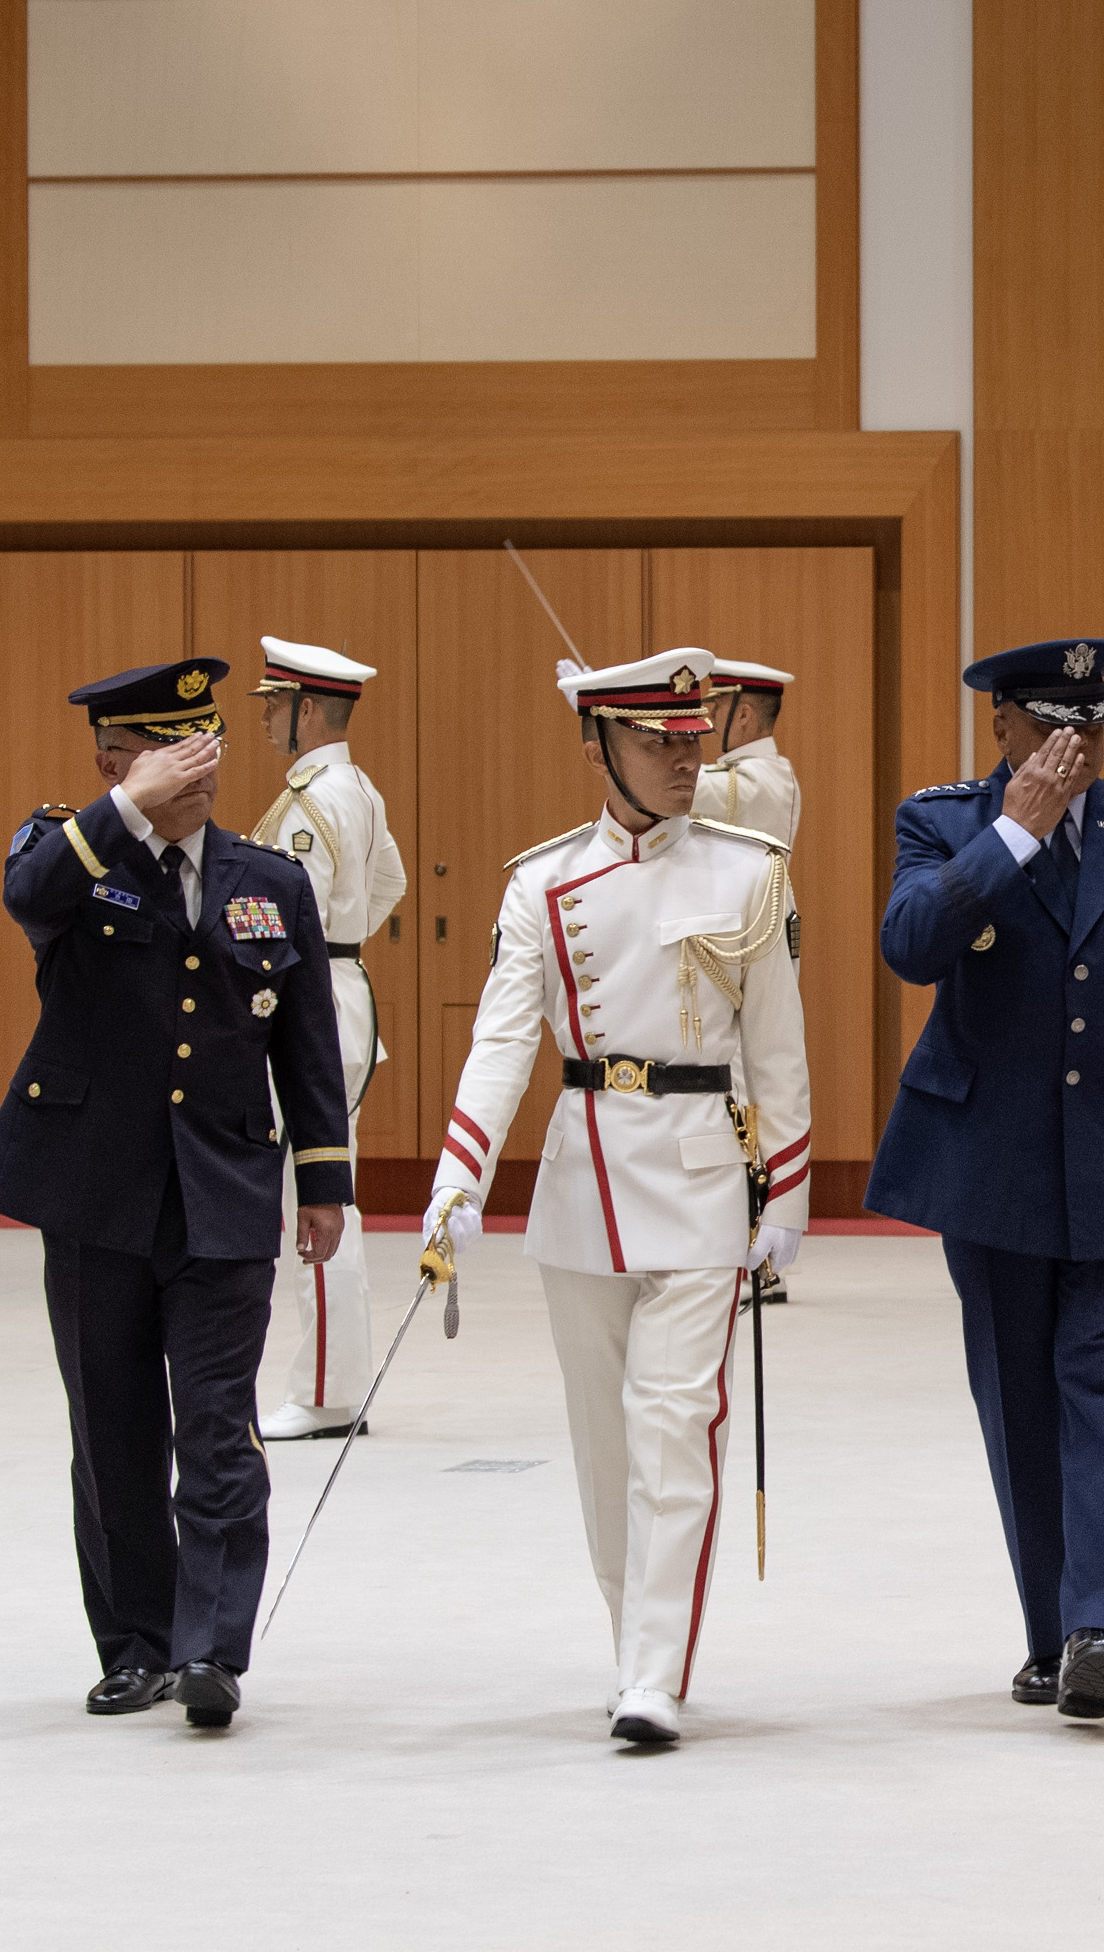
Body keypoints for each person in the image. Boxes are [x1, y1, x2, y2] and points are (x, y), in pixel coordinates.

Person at [419, 648, 810, 1746]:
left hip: (699, 1182)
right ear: (599, 745)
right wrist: (459, 1178)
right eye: (657, 742)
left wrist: (787, 1194)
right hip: (582, 1182)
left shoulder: (748, 871)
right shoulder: (541, 882)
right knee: (604, 1448)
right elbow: (502, 1042)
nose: (687, 759)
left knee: (672, 1426)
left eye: (693, 738)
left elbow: (776, 1048)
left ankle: (654, 1672)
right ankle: (628, 1637)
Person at [0, 659, 351, 1733]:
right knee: (114, 1424)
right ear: (112, 760)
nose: (195, 769)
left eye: (206, 747)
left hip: (222, 1183)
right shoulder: (70, 857)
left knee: (218, 1428)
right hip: (95, 1188)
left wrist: (324, 1183)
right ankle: (134, 1646)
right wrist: (126, 812)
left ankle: (209, 1648)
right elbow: (24, 899)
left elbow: (307, 1043)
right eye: (166, 752)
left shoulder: (268, 881)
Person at [865, 638, 1104, 1722]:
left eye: (1094, 728)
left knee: (1099, 1382)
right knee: (1018, 1402)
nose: (1076, 750)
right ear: (1005, 730)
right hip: (990, 1164)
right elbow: (911, 946)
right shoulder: (941, 823)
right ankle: (1052, 1635)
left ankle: (1100, 1628)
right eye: (1054, 728)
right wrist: (1014, 836)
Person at [249, 637, 409, 1440]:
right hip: (342, 990)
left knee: (311, 1201)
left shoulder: (312, 801)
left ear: (306, 710)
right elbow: (389, 883)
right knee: (325, 1191)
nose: (267, 718)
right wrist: (348, 940)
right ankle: (336, 1383)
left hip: (306, 1003)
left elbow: (286, 921)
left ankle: (324, 1393)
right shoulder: (360, 790)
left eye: (273, 704)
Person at [692, 659, 801, 847]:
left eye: (717, 706)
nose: (711, 715)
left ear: (743, 715)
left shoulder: (757, 779)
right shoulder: (771, 770)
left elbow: (677, 785)